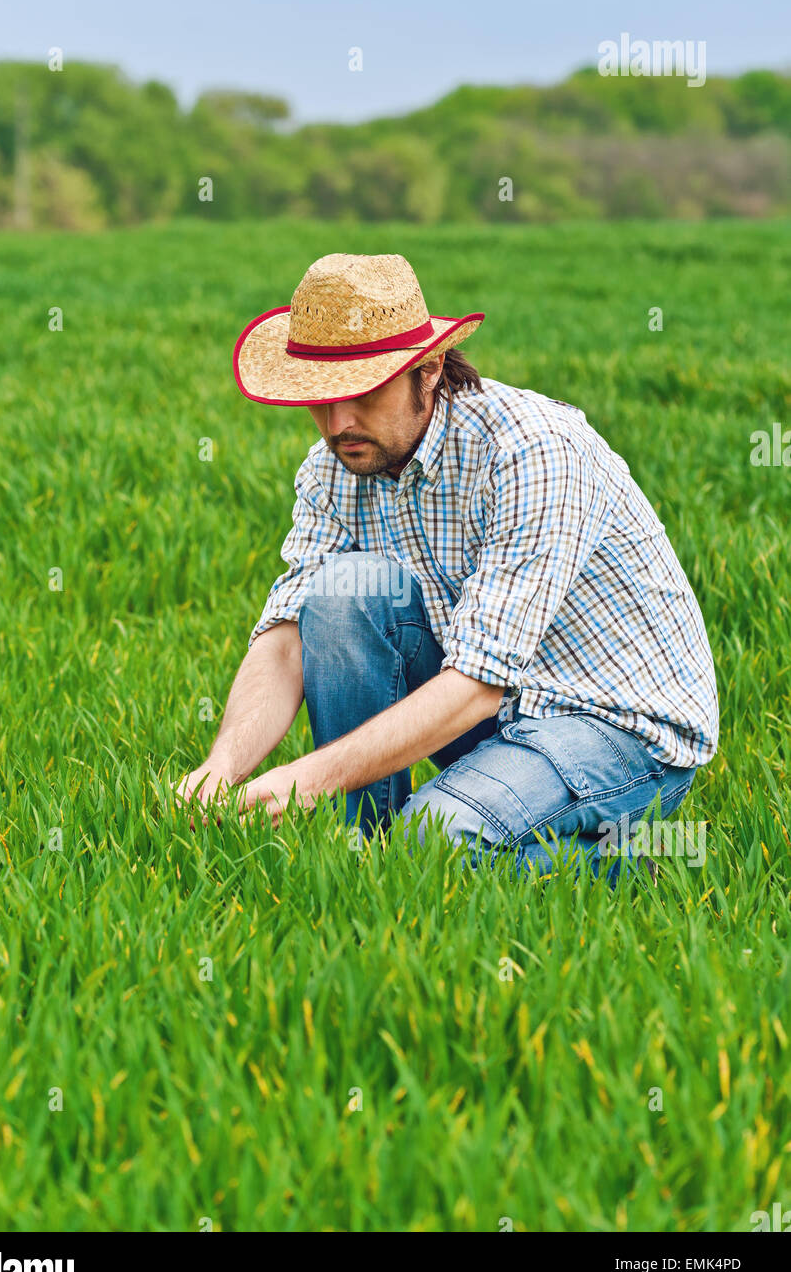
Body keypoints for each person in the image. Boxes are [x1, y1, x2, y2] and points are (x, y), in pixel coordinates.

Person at [176, 252, 719, 880]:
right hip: (497, 712)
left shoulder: (532, 450)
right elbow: (288, 638)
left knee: (430, 844)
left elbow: (479, 681)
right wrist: (221, 770)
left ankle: (634, 861)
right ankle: (366, 857)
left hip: (611, 725)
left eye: (362, 394)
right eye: (320, 400)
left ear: (429, 370)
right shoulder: (338, 465)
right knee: (339, 593)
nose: (337, 424)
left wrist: (307, 778)